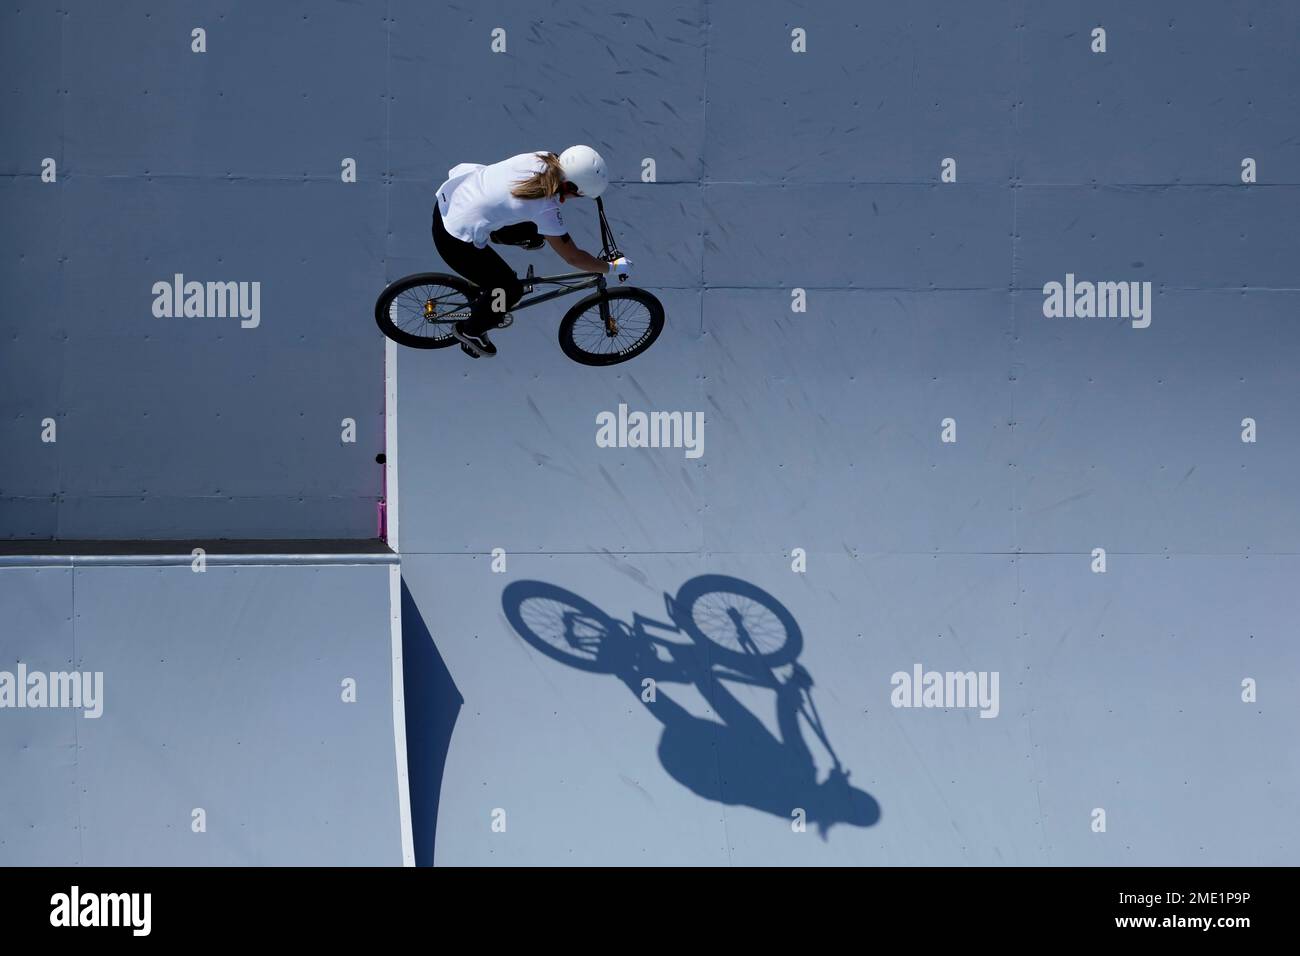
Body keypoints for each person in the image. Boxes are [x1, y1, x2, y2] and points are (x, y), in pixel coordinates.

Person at [432, 146, 633, 358]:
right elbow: (573, 257)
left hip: (453, 198)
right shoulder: (544, 207)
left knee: (536, 232)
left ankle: (498, 246)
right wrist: (610, 268)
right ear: (569, 186)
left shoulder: (544, 158)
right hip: (453, 238)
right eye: (579, 194)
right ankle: (470, 331)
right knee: (510, 289)